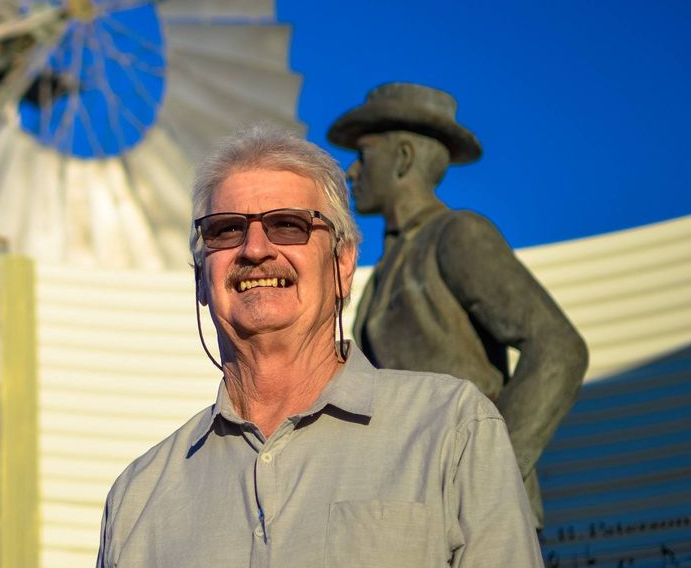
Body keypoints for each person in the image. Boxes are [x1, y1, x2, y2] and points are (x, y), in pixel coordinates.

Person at [97, 125, 544, 567]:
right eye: (227, 230)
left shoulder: (451, 429)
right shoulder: (137, 501)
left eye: (288, 225)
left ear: (343, 263)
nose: (255, 249)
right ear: (200, 276)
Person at [328, 82, 589, 527]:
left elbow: (559, 349)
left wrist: (485, 474)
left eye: (364, 154)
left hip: (478, 521)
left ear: (404, 158)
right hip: (409, 514)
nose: (351, 171)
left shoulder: (457, 235)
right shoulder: (386, 269)